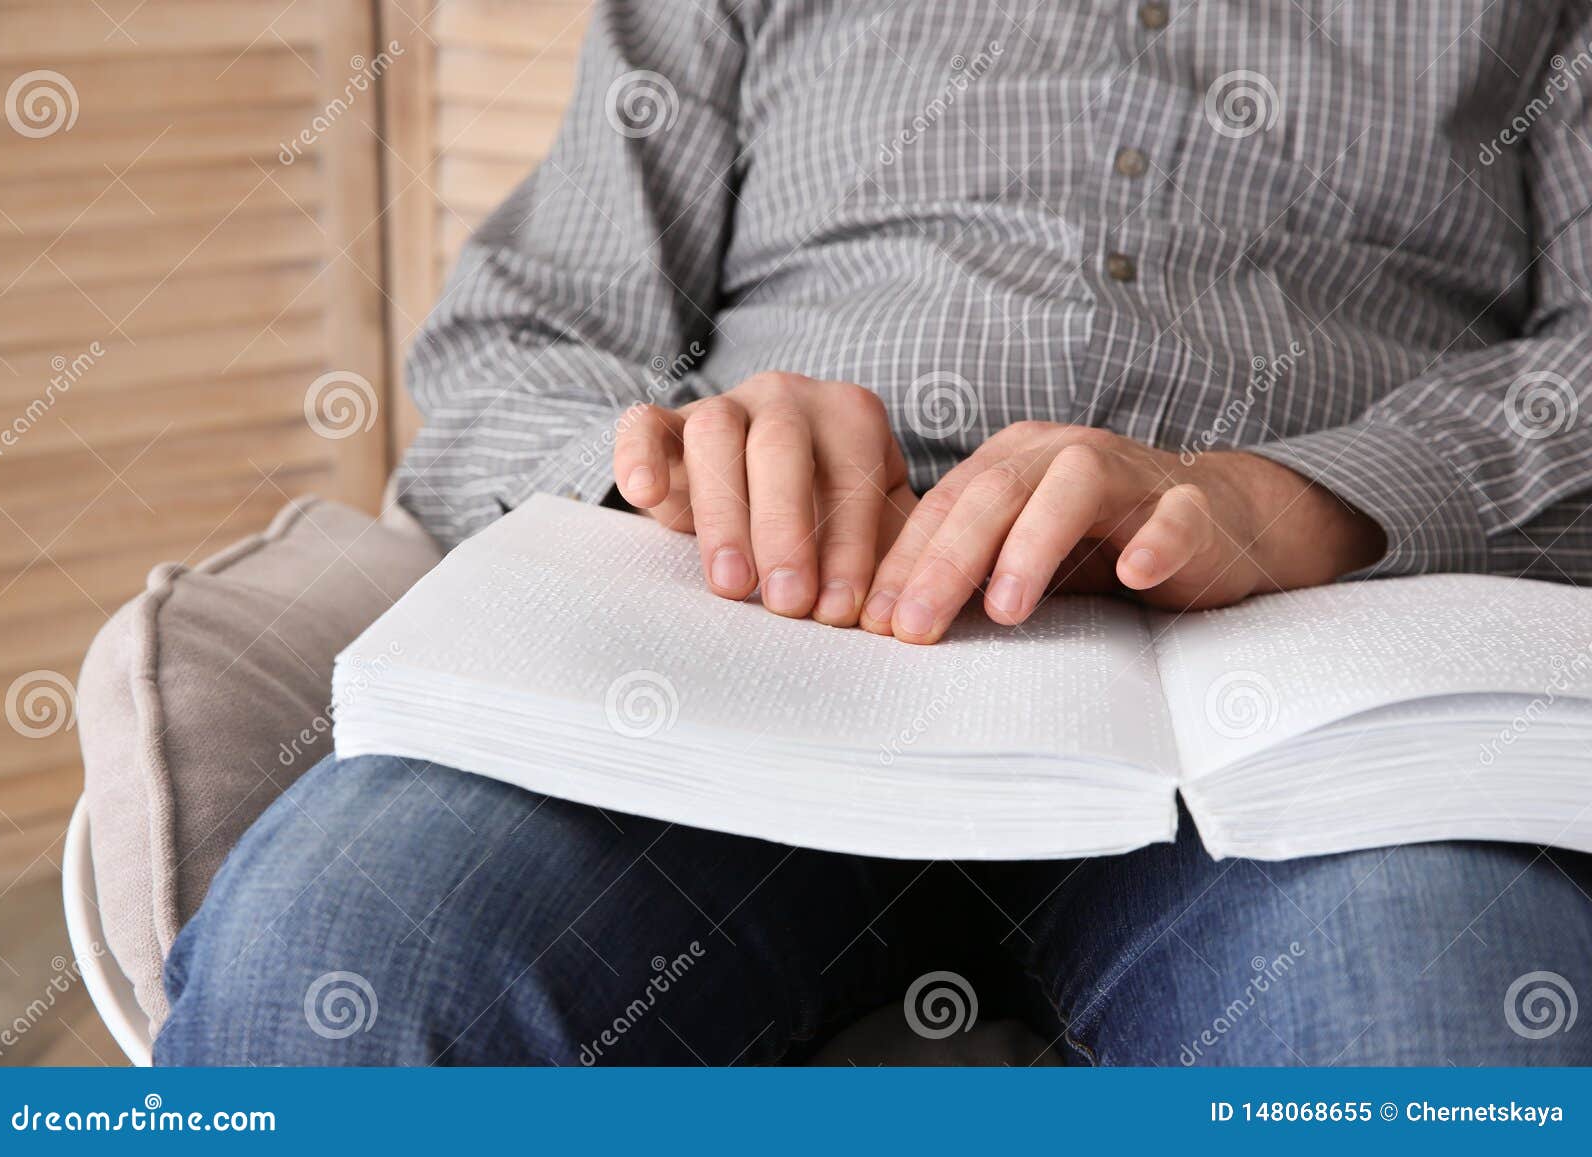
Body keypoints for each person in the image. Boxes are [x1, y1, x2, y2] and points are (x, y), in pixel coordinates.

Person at [155, 0, 1592, 1065]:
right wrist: (670, 462)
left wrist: (1303, 499)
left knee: (1437, 1031)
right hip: (739, 659)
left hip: (1299, 690)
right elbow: (511, 344)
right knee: (331, 957)